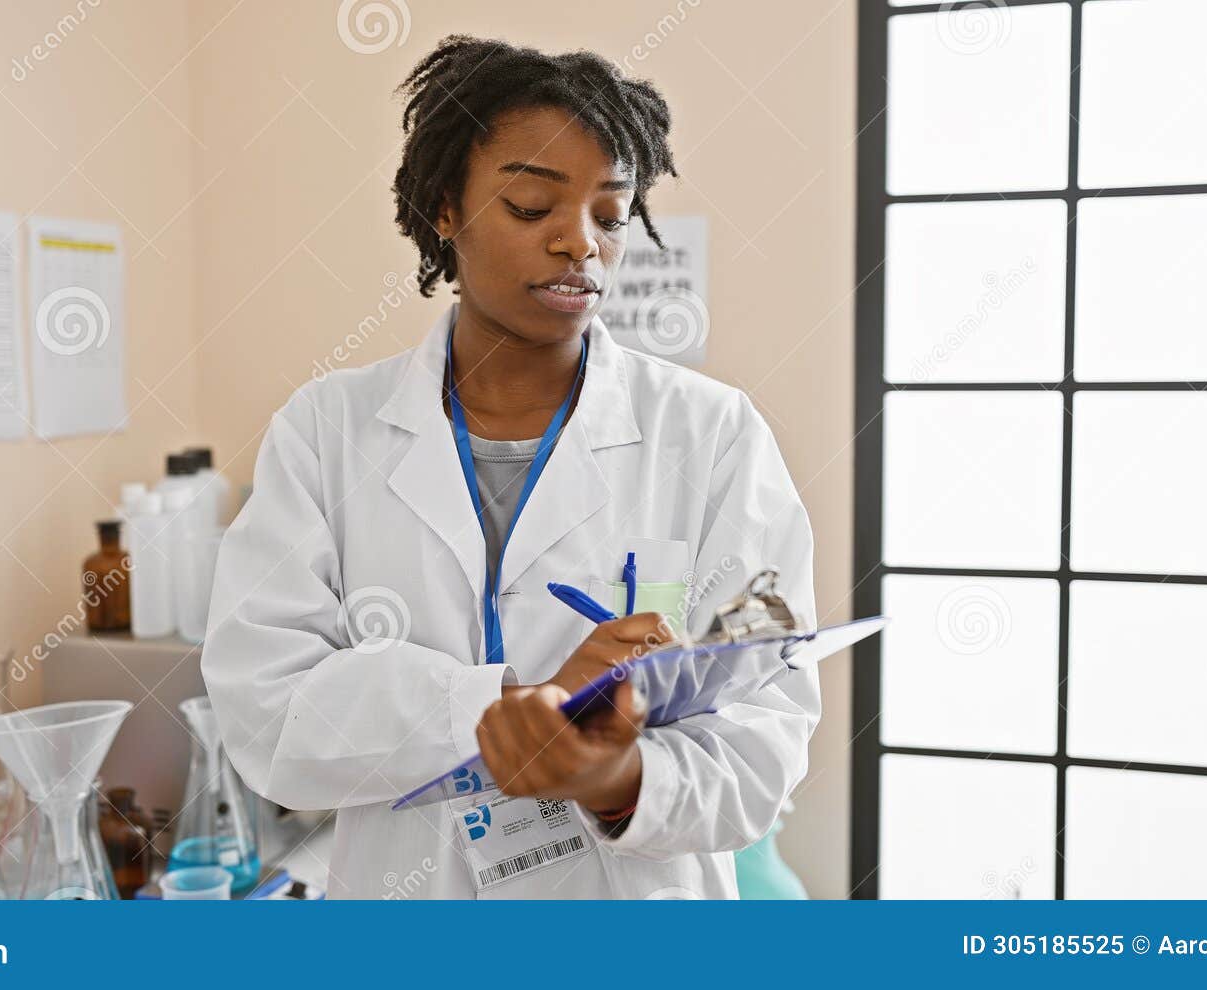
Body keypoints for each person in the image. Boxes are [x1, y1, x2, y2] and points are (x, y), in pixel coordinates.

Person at [202, 35, 819, 899]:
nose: (581, 244)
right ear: (445, 207)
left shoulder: (711, 434)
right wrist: (503, 707)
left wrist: (607, 777)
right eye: (533, 207)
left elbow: (766, 732)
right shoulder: (326, 430)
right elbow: (266, 711)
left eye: (610, 216)